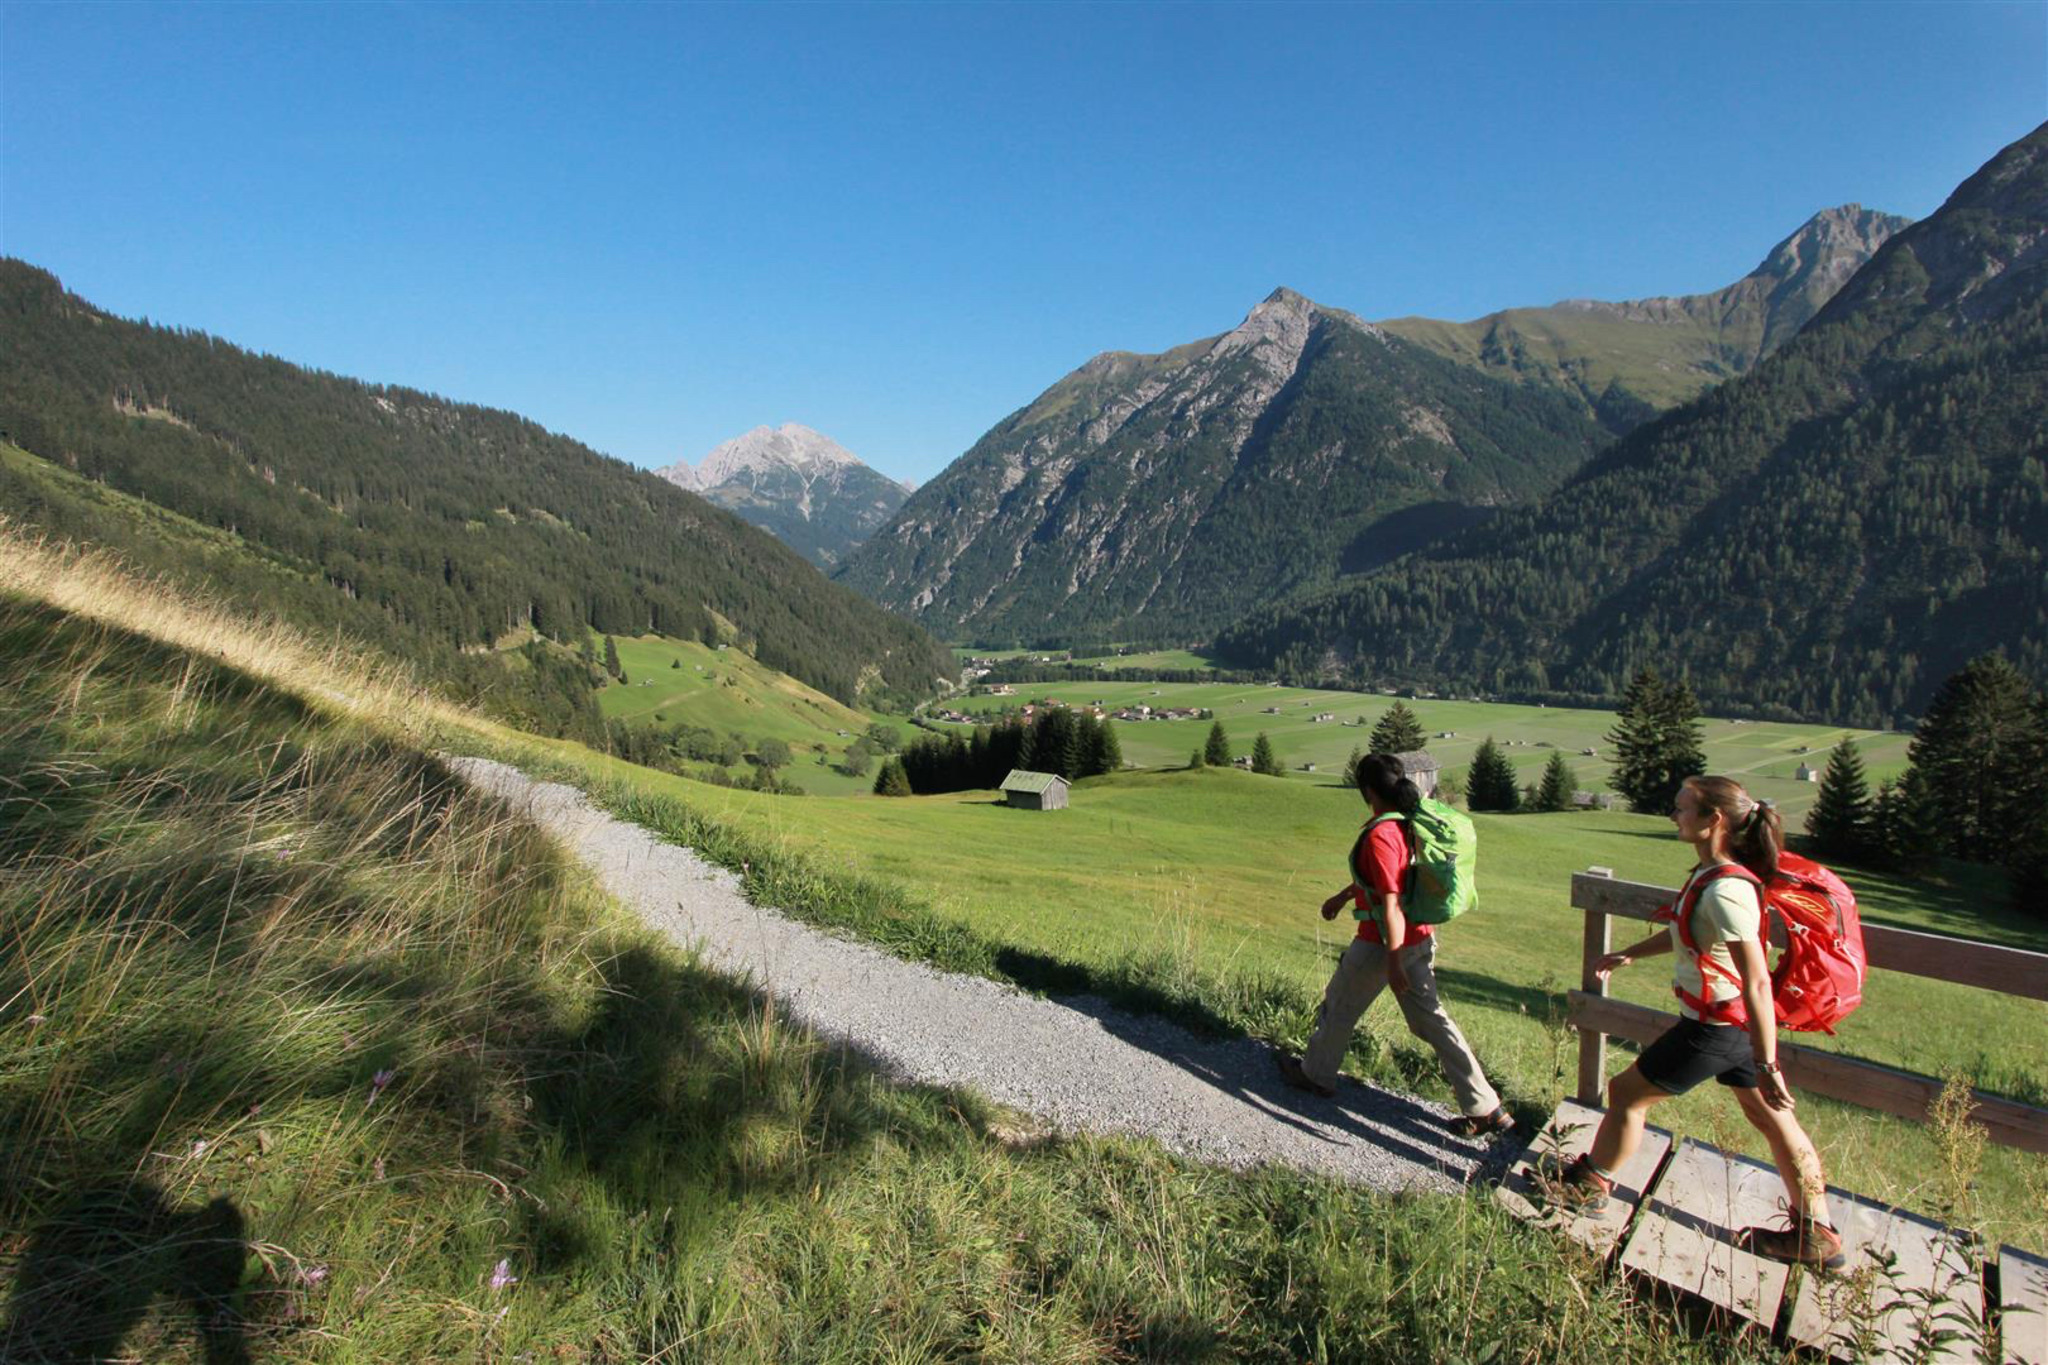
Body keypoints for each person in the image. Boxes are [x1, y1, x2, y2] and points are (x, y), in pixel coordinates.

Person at [1555, 775, 1844, 1268]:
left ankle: (1591, 1184)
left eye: (1682, 808)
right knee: (1772, 1121)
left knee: (1626, 1093)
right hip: (1734, 1028)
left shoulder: (1726, 891)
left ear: (1714, 820)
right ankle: (1816, 1233)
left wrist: (1769, 1063)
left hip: (1716, 1029)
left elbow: (1755, 981)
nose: (1674, 815)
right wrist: (1631, 953)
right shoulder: (1713, 877)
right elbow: (1689, 931)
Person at [1276, 754, 1513, 1137]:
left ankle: (1315, 1076)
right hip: (1419, 938)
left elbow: (1389, 901)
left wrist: (1392, 961)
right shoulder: (1407, 823)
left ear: (1367, 791)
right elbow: (1392, 881)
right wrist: (1341, 897)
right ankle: (1486, 1107)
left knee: (1339, 1005)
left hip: (1383, 945)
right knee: (1432, 1022)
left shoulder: (1381, 835)